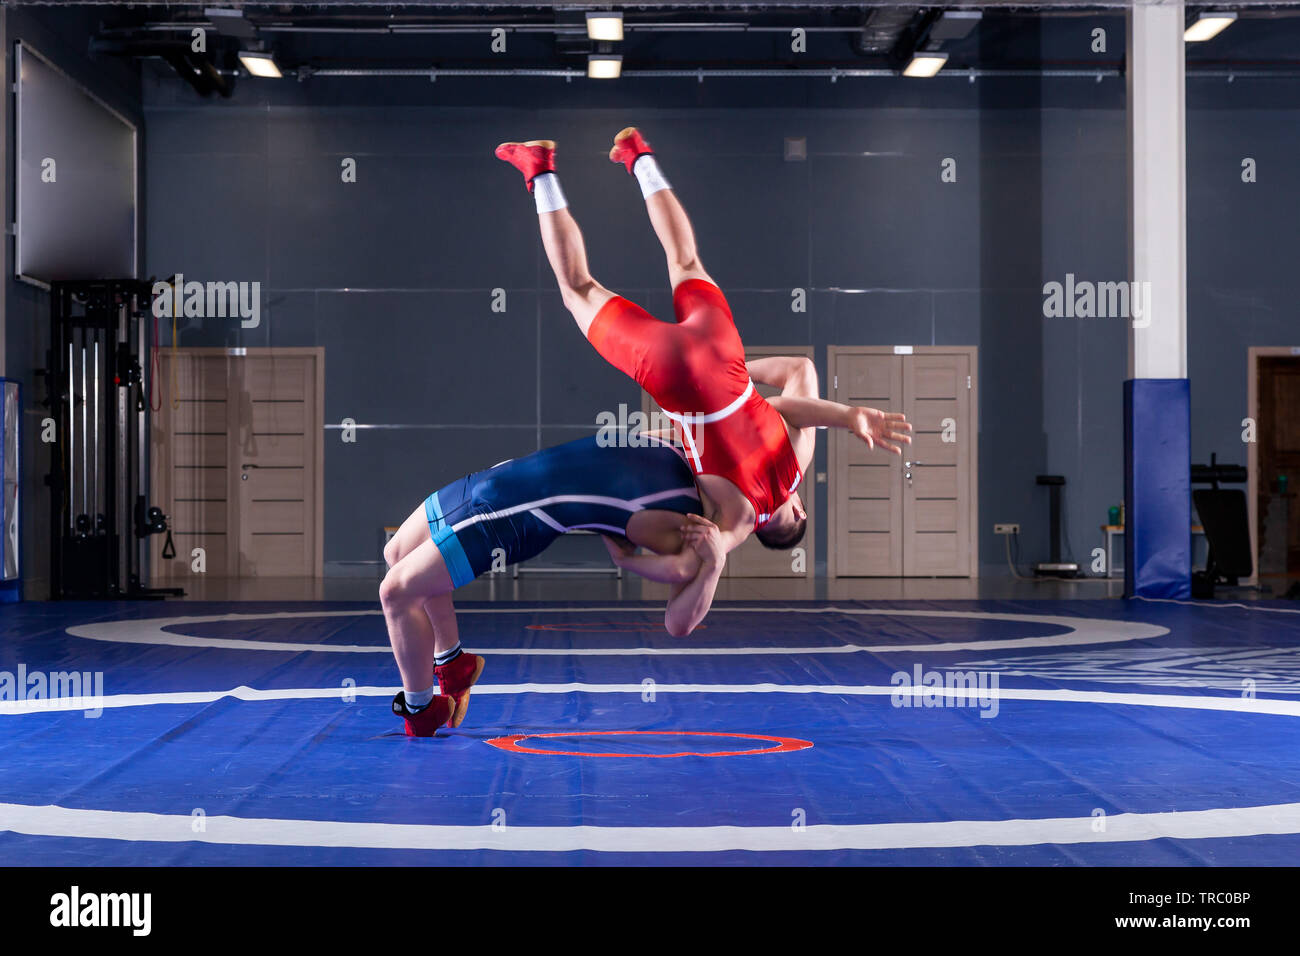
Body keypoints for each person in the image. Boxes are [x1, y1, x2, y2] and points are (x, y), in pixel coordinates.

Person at [495, 127, 911, 591]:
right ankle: (539, 170)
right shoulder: (736, 520)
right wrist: (633, 559)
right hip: (672, 374)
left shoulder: (798, 457)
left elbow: (800, 376)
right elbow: (682, 567)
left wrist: (849, 414)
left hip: (721, 350)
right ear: (763, 529)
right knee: (578, 290)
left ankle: (638, 156)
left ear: (800, 508)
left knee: (685, 260)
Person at [379, 433, 705, 736]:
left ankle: (420, 710)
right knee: (397, 552)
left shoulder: (685, 523)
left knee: (396, 592)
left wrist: (710, 560)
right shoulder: (677, 444)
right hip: (497, 479)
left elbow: (680, 607)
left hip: (515, 515)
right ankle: (453, 664)